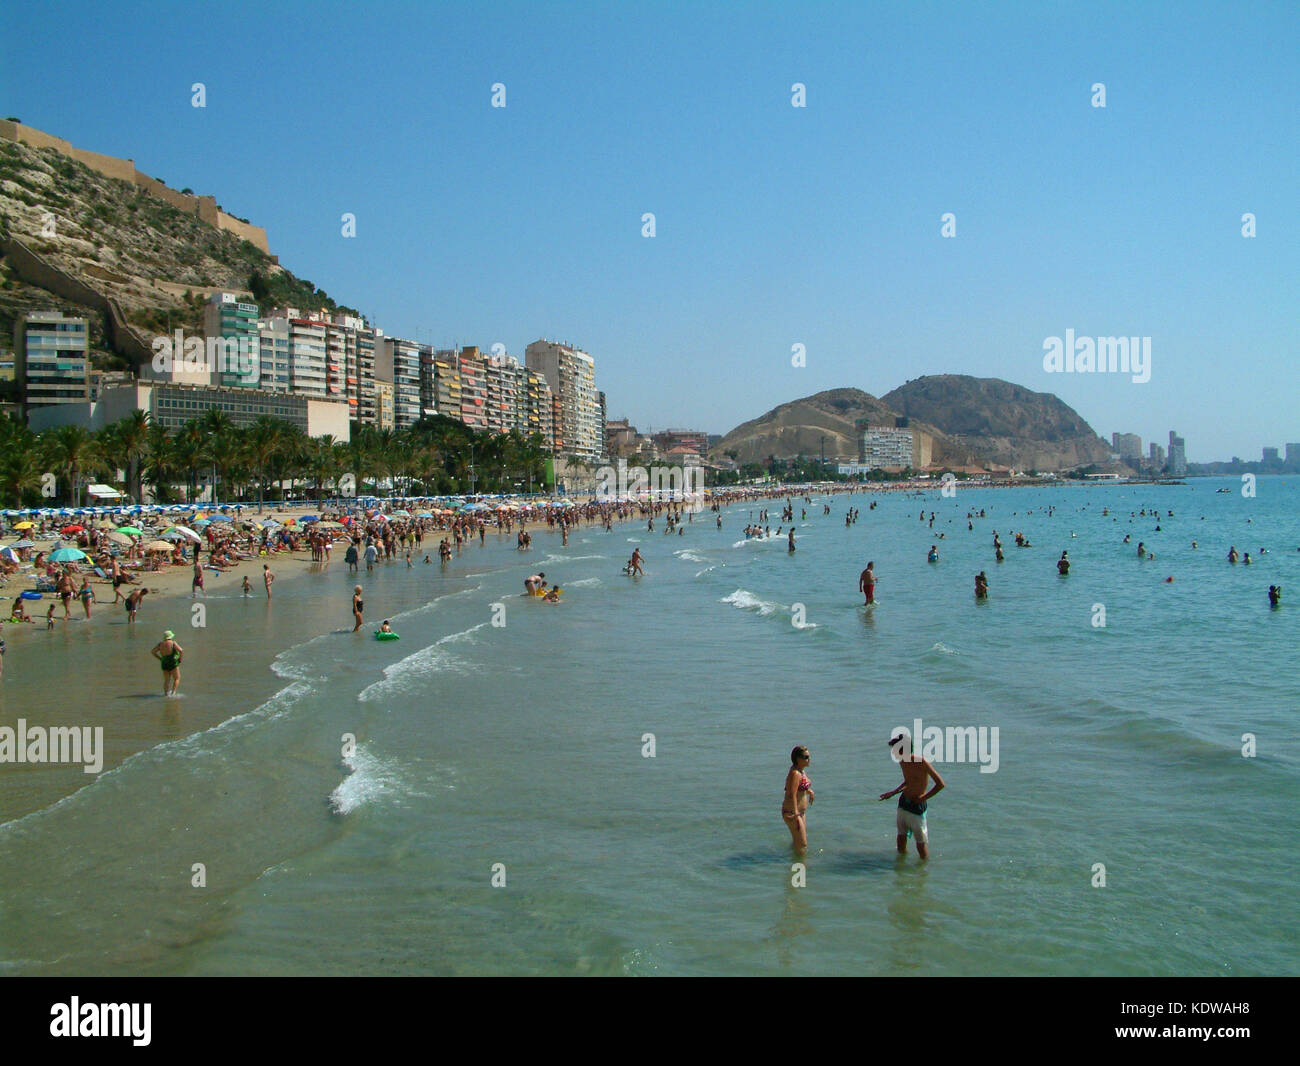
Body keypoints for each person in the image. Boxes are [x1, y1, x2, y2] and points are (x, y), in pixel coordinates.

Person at [880, 732, 946, 860]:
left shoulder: (921, 762)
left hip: (917, 806)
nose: (893, 753)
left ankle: (923, 873)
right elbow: (908, 781)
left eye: (895, 750)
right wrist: (893, 793)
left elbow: (940, 784)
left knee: (921, 846)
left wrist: (923, 797)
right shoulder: (902, 761)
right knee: (900, 839)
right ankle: (900, 869)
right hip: (904, 803)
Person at [782, 745, 814, 853]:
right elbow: (792, 793)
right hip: (792, 812)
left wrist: (809, 791)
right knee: (802, 844)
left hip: (800, 812)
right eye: (805, 757)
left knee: (798, 841)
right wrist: (795, 813)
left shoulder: (801, 771)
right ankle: (800, 865)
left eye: (809, 756)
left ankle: (792, 858)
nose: (808, 759)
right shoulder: (795, 773)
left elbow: (799, 787)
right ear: (797, 759)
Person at [152, 629, 183, 696]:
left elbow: (153, 652)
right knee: (177, 678)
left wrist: (160, 658)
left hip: (164, 662)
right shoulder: (173, 643)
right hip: (173, 662)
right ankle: (173, 693)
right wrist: (180, 659)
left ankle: (166, 694)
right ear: (171, 636)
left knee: (167, 680)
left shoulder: (160, 644)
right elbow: (181, 650)